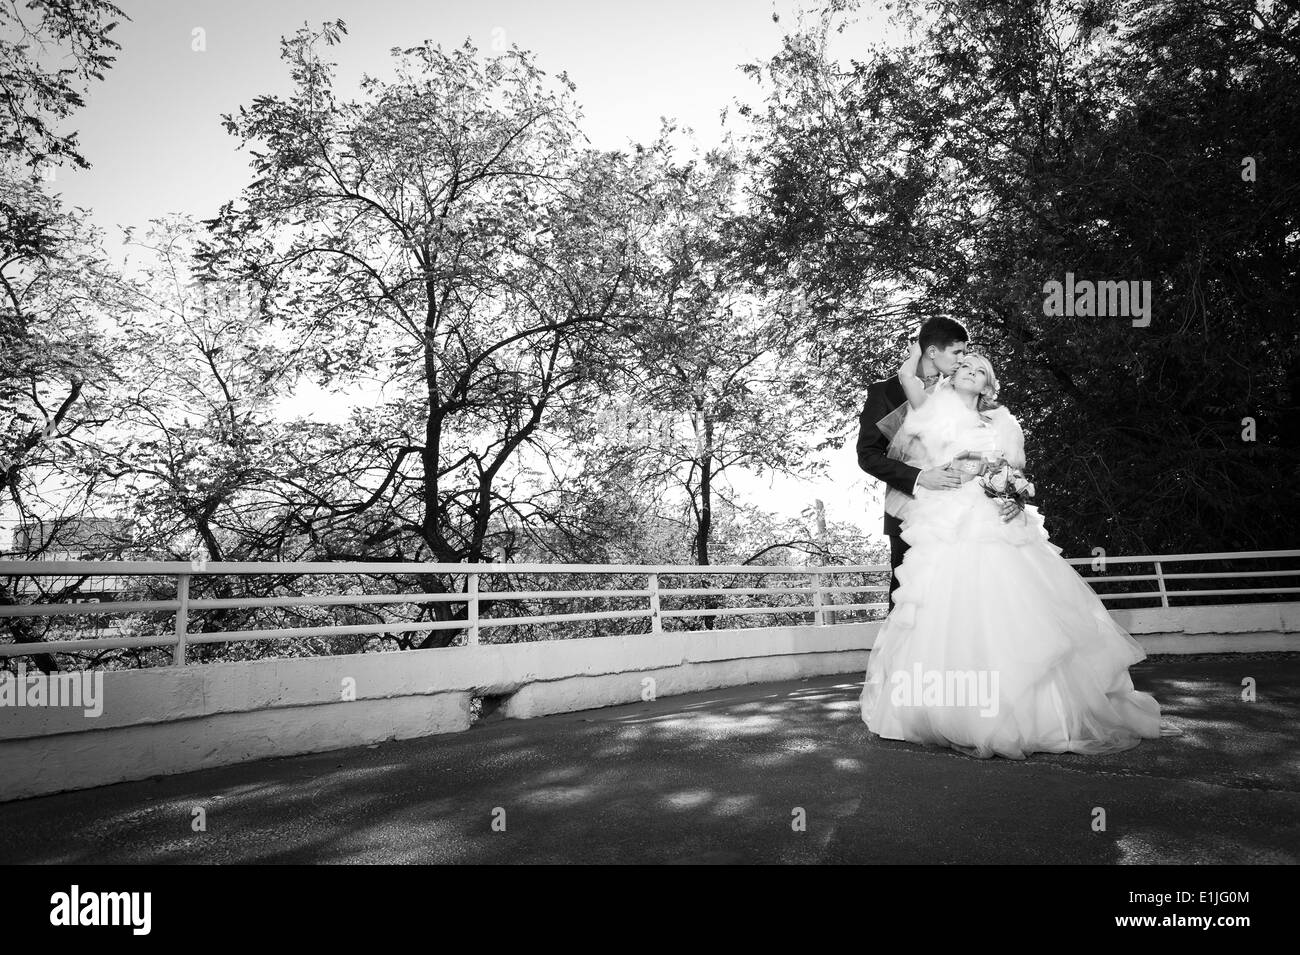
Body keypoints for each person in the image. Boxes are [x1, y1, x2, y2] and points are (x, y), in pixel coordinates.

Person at [859, 340, 1172, 758]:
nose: (970, 370)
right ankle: (951, 708)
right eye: (963, 364)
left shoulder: (1003, 422)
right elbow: (905, 375)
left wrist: (1016, 497)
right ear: (950, 373)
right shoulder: (932, 408)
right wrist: (930, 343)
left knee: (1018, 601)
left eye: (979, 369)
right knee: (947, 603)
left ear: (989, 385)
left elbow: (1015, 473)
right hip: (950, 515)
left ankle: (1041, 713)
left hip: (998, 515)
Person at [856, 317, 1020, 611]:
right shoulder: (885, 392)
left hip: (970, 510)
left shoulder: (965, 388)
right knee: (910, 597)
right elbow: (868, 456)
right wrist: (920, 477)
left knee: (970, 594)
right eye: (957, 352)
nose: (962, 360)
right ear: (932, 352)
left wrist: (1011, 492)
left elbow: (990, 450)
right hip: (910, 508)